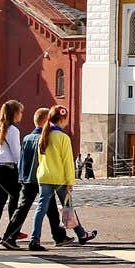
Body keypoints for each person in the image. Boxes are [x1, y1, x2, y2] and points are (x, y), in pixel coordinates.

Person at [27, 105, 95, 249]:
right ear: (62, 119)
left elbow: (40, 159)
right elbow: (68, 162)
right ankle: (82, 235)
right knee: (68, 207)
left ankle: (35, 239)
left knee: (41, 209)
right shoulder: (63, 137)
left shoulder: (43, 136)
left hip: (44, 177)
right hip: (59, 178)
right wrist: (70, 181)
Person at [1, 108, 65, 249]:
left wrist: (22, 176)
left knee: (42, 206)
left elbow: (22, 158)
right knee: (37, 206)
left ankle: (59, 236)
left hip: (27, 177)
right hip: (40, 178)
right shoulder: (43, 137)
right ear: (46, 121)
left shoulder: (27, 137)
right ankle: (9, 237)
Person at [0, 99, 24, 246]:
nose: (21, 115)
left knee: (0, 201)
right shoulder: (13, 130)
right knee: (14, 199)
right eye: (20, 112)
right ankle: (13, 229)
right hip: (9, 168)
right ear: (15, 113)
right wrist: (22, 170)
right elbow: (16, 152)